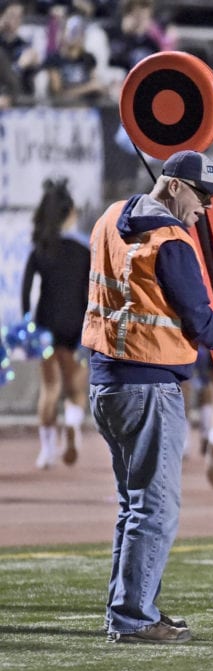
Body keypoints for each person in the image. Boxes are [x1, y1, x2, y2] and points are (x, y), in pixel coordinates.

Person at [84, 150, 213, 644]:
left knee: (133, 506)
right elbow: (198, 317)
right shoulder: (171, 240)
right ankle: (133, 617)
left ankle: (129, 607)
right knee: (154, 507)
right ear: (174, 186)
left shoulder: (112, 216)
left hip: (106, 379)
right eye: (201, 197)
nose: (204, 210)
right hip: (148, 383)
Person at [20, 178, 90, 469]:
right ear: (69, 214)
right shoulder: (84, 251)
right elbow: (90, 293)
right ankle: (72, 426)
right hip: (75, 324)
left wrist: (29, 327)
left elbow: (24, 292)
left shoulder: (39, 250)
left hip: (45, 326)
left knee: (50, 388)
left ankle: (46, 451)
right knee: (75, 388)